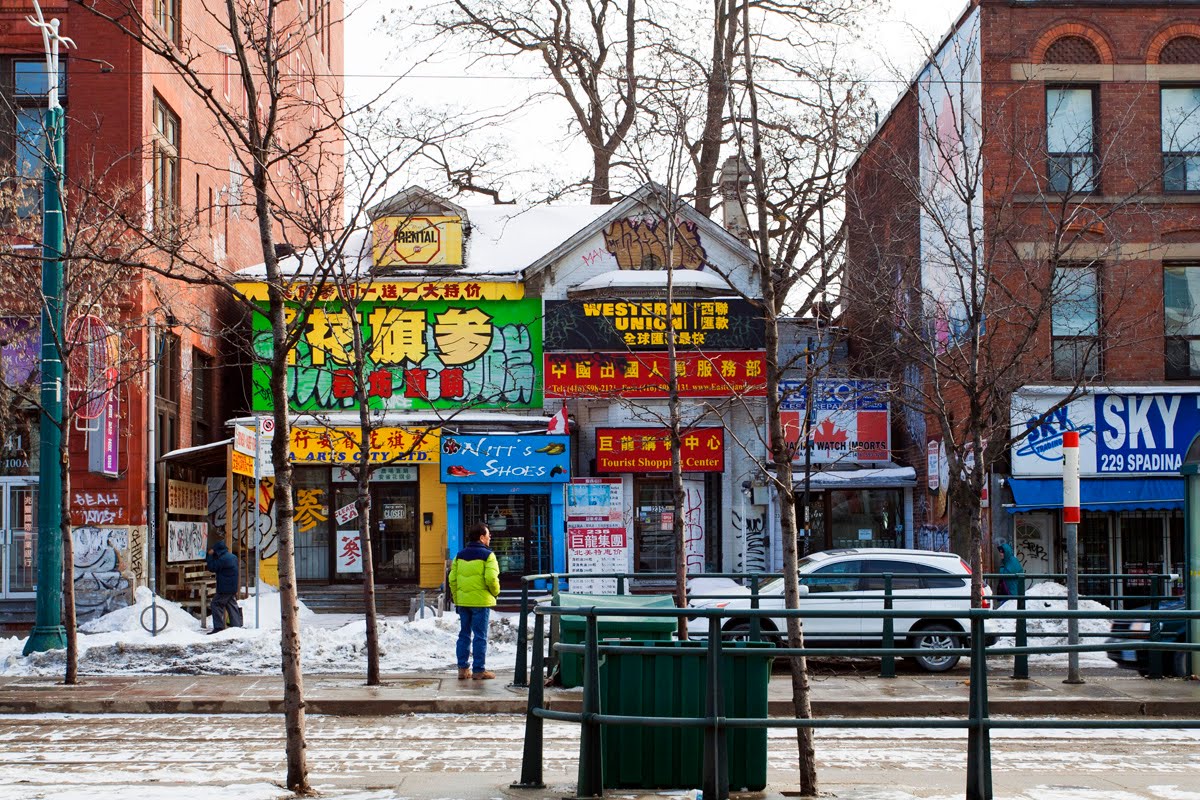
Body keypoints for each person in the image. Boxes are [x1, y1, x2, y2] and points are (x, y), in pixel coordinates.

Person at [448, 522, 501, 680]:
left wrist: (458, 599)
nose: (490, 537)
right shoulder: (488, 555)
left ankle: (462, 670)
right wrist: (496, 592)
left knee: (464, 635)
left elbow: (452, 579)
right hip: (480, 602)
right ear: (481, 537)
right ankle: (479, 670)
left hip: (463, 602)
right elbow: (491, 578)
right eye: (488, 535)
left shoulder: (459, 555)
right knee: (480, 636)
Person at [206, 540, 243, 632]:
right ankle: (236, 627)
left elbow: (212, 567)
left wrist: (210, 556)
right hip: (232, 586)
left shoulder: (223, 559)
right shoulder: (232, 557)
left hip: (225, 587)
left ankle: (218, 627)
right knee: (231, 605)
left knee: (216, 604)